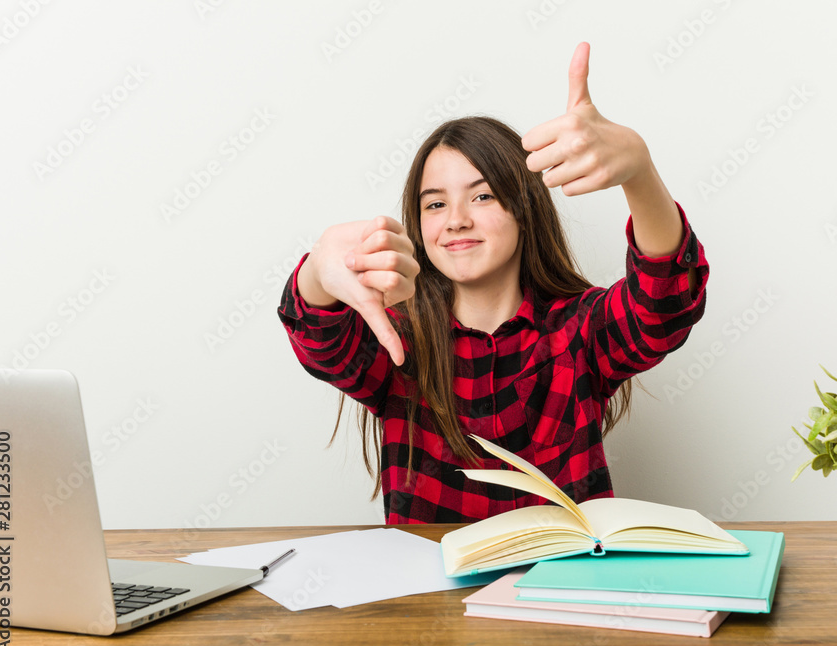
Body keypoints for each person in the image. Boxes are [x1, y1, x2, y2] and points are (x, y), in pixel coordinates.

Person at [278, 43, 709, 524]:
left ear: (524, 208)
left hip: (558, 592)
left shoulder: (579, 330)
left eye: (482, 196)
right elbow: (318, 334)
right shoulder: (396, 337)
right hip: (428, 594)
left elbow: (663, 305)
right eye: (435, 204)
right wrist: (318, 269)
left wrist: (640, 172)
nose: (456, 221)